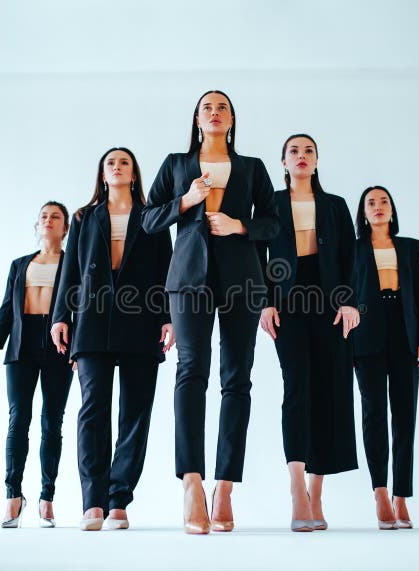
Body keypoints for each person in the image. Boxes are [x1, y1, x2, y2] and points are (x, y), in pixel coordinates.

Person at [141, 90, 280, 533]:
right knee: (191, 372)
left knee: (237, 379)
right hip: (187, 278)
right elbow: (148, 220)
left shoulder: (253, 167)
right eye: (207, 107)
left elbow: (274, 223)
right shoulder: (175, 164)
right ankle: (191, 484)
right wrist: (185, 201)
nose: (215, 112)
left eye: (222, 107)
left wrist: (240, 225)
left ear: (231, 120)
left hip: (243, 278)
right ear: (197, 120)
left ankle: (224, 488)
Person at [51, 147, 174, 531]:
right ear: (102, 174)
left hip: (141, 318)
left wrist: (168, 318)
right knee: (93, 410)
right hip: (92, 320)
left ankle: (119, 498)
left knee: (135, 413)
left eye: (124, 163)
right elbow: (70, 272)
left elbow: (166, 270)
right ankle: (93, 501)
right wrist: (60, 316)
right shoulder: (84, 217)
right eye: (111, 163)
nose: (117, 167)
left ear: (134, 174)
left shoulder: (152, 217)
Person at [258, 134, 360, 532]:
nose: (301, 156)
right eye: (294, 151)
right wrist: (265, 301)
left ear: (317, 161)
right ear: (283, 162)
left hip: (329, 301)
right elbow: (258, 254)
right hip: (287, 300)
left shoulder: (335, 205)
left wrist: (349, 302)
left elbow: (351, 258)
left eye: (308, 151)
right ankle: (296, 487)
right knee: (296, 386)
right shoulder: (271, 203)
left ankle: (317, 492)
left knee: (327, 389)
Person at [0, 201, 74, 528]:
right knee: (18, 419)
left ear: (65, 227)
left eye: (56, 217)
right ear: (37, 224)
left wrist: (78, 349)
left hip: (59, 345)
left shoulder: (73, 263)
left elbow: (82, 308)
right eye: (44, 216)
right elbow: (7, 305)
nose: (49, 220)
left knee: (52, 422)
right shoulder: (20, 264)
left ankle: (46, 497)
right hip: (21, 345)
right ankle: (13, 495)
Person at [352, 185, 419, 530]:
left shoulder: (410, 247)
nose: (378, 206)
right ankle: (381, 492)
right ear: (363, 213)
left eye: (384, 201)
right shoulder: (354, 248)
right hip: (366, 335)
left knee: (404, 415)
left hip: (405, 333)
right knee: (373, 414)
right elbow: (345, 293)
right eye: (371, 203)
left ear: (392, 209)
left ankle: (401, 495)